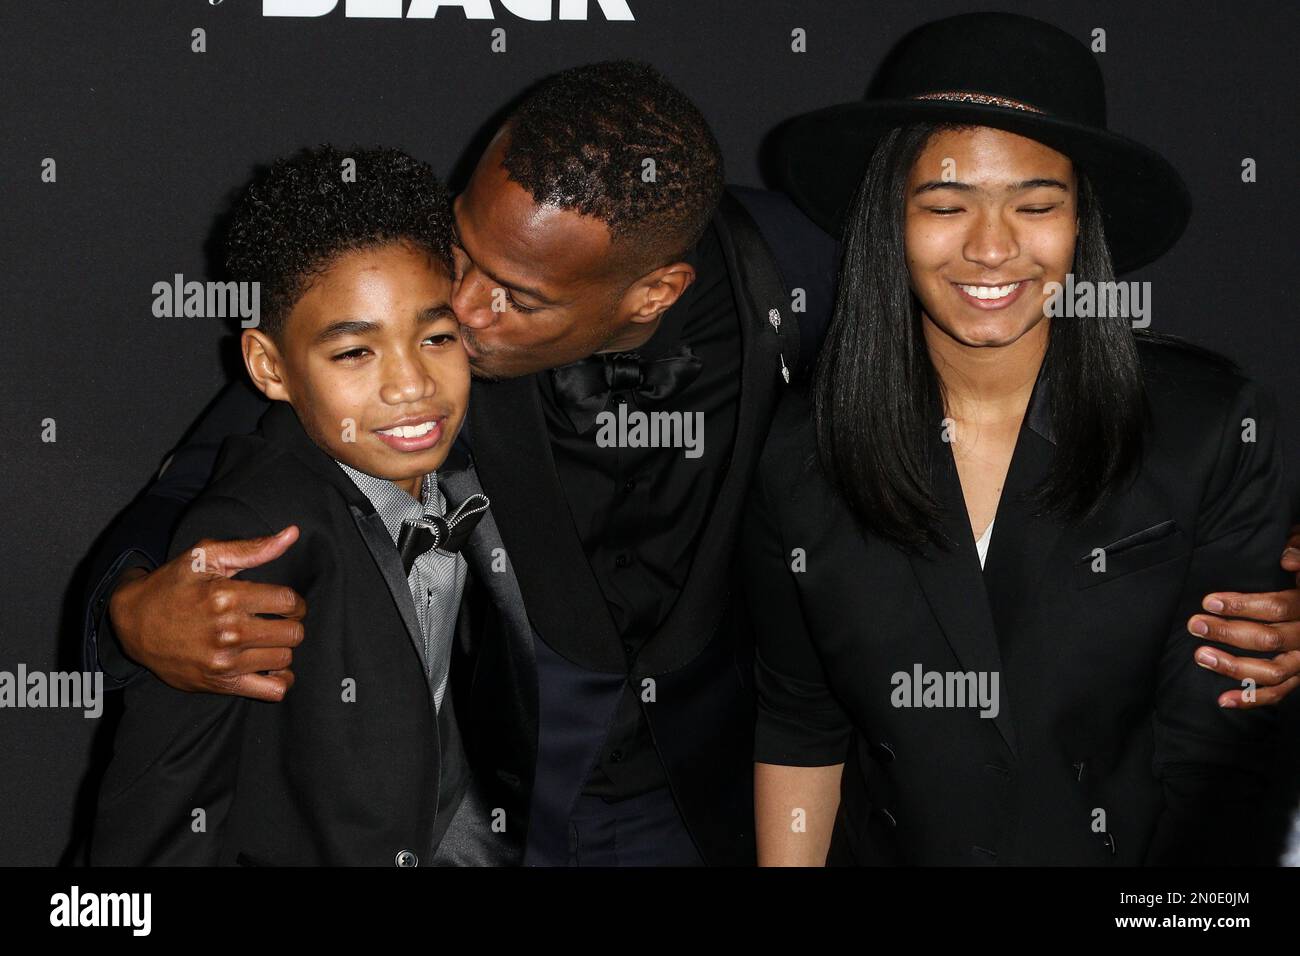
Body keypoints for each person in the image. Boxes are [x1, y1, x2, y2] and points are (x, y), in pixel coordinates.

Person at [82, 58, 1300, 868]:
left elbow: (1086, 385)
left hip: (731, 800)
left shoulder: (827, 274)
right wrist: (132, 607)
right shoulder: (411, 306)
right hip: (506, 799)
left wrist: (1259, 564)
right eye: (461, 247)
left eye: (513, 295)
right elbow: (213, 478)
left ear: (653, 290)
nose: (457, 305)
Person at [747, 12, 1294, 866]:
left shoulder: (1208, 426)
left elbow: (1219, 754)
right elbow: (799, 721)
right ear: (888, 221)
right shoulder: (798, 453)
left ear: (1083, 225)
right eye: (945, 204)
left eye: (1035, 205)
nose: (992, 248)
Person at [90, 146, 500, 866]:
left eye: (437, 337)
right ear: (269, 368)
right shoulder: (254, 539)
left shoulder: (469, 483)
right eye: (354, 354)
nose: (410, 384)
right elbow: (163, 803)